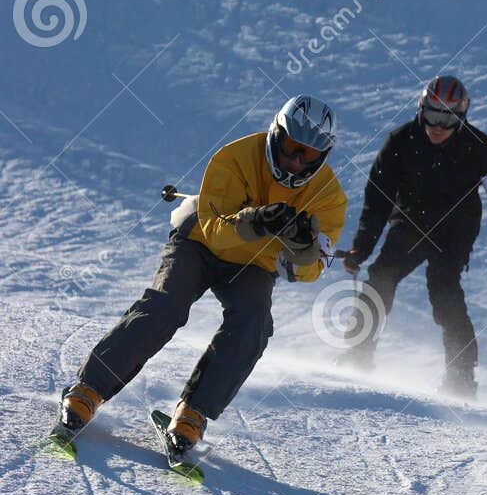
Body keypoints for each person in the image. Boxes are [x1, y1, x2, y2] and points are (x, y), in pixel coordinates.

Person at [52, 95, 345, 455]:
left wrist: (303, 250)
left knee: (254, 324)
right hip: (198, 242)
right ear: (275, 134)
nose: (296, 161)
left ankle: (194, 411)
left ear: (323, 156)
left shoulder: (329, 197)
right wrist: (255, 220)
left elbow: (310, 272)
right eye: (290, 147)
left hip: (253, 263)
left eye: (309, 155)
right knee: (167, 306)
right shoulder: (235, 157)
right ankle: (89, 388)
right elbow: (214, 229)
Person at [339, 75, 487, 398]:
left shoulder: (481, 150)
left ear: (462, 119)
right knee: (381, 276)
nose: (438, 126)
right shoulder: (400, 142)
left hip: (456, 230)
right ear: (421, 110)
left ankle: (461, 375)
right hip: (411, 222)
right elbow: (377, 202)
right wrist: (360, 249)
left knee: (444, 287)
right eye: (431, 115)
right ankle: (358, 352)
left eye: (448, 119)